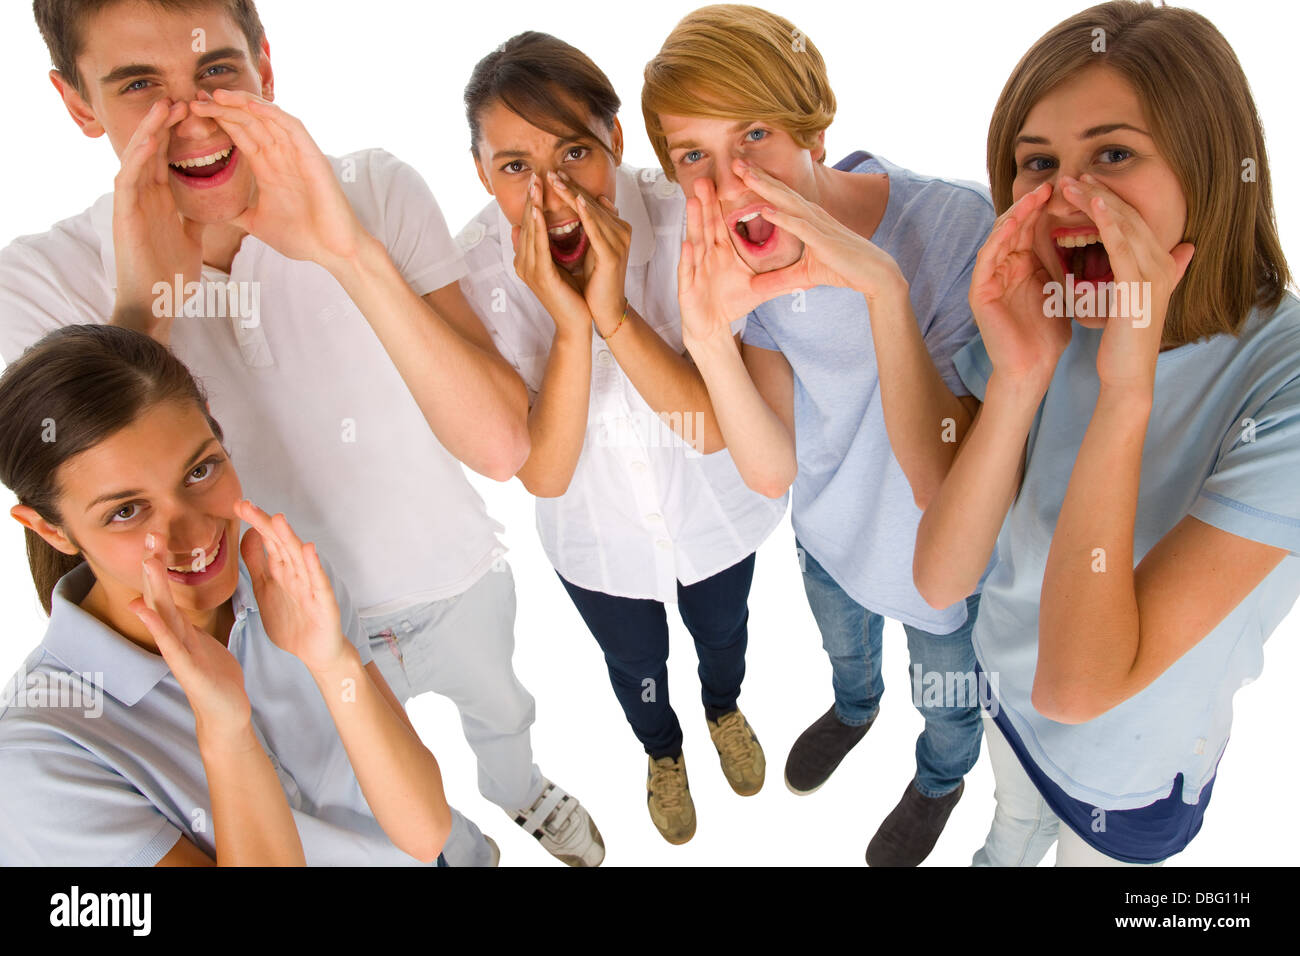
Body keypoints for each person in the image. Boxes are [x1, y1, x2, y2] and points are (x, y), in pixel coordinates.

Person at [2, 0, 601, 865]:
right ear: (77, 102)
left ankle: (520, 790)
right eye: (140, 85)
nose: (194, 115)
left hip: (448, 577)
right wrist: (147, 309)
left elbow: (506, 448)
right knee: (385, 812)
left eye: (215, 72)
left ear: (265, 66)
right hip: (280, 635)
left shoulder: (371, 189)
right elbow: (98, 477)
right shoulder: (34, 285)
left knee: (502, 713)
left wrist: (345, 251)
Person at [908, 0, 1299, 865]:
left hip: (1124, 775)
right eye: (1037, 161)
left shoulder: (1288, 380)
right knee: (1010, 825)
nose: (1065, 195)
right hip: (1004, 698)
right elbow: (942, 576)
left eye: (1113, 153)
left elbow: (1079, 687)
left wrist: (1129, 391)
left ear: (1208, 164)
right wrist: (1018, 379)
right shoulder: (1045, 311)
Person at [634, 4, 995, 864]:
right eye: (695, 155)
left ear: (815, 127)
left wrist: (880, 289)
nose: (730, 181)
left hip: (937, 551)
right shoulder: (735, 256)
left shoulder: (951, 228)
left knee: (947, 699)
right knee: (846, 654)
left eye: (754, 133)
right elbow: (768, 469)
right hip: (826, 534)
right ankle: (855, 709)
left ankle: (941, 776)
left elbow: (939, 467)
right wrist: (714, 338)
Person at [456, 32, 787, 845]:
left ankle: (723, 707)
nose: (554, 194)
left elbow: (712, 431)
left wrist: (612, 313)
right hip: (597, 544)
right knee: (636, 667)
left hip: (716, 518)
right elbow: (547, 471)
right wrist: (572, 327)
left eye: (576, 151)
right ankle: (662, 749)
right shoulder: (471, 272)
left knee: (723, 634)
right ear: (480, 172)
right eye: (514, 167)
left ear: (617, 139)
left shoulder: (691, 218)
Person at [0, 324, 458, 866]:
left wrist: (332, 662)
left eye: (200, 470)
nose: (193, 534)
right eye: (126, 511)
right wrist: (225, 728)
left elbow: (426, 835)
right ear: (52, 529)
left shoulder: (288, 586)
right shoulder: (39, 759)